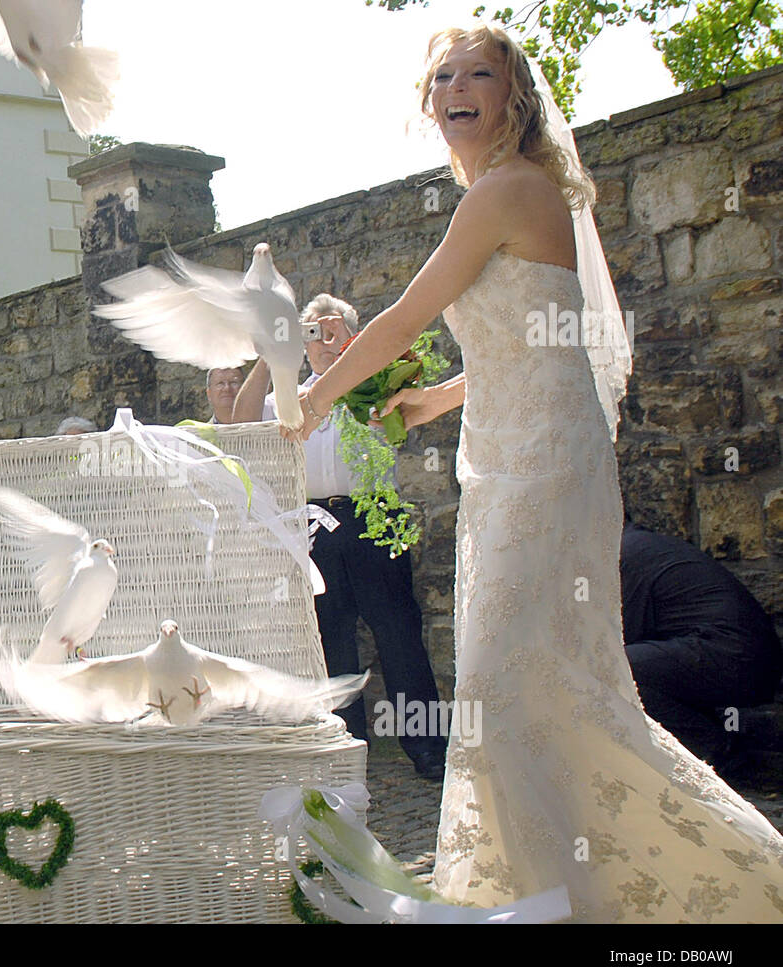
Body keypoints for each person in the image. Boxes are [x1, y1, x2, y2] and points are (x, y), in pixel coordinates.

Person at [285, 26, 783, 920]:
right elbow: (537, 333)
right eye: (445, 75)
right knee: (534, 677)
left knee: (518, 676)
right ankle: (544, 880)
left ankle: (585, 886)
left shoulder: (508, 189)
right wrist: (438, 403)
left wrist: (316, 396)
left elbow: (403, 318)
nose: (459, 87)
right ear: (428, 99)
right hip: (513, 458)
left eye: (482, 72)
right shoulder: (510, 194)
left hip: (543, 465)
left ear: (514, 95)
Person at [233, 294, 447, 780]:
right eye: (314, 335)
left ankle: (429, 750)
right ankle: (346, 745)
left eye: (335, 333)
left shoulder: (374, 383)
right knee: (330, 642)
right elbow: (241, 423)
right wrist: (272, 353)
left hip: (375, 516)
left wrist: (356, 353)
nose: (325, 345)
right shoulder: (288, 397)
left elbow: (394, 415)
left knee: (400, 637)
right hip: (312, 524)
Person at [620, 520, 783, 767]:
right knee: (633, 665)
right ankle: (718, 742)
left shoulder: (624, 554)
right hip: (742, 657)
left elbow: (622, 638)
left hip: (736, 659)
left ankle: (710, 748)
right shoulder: (641, 545)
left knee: (617, 668)